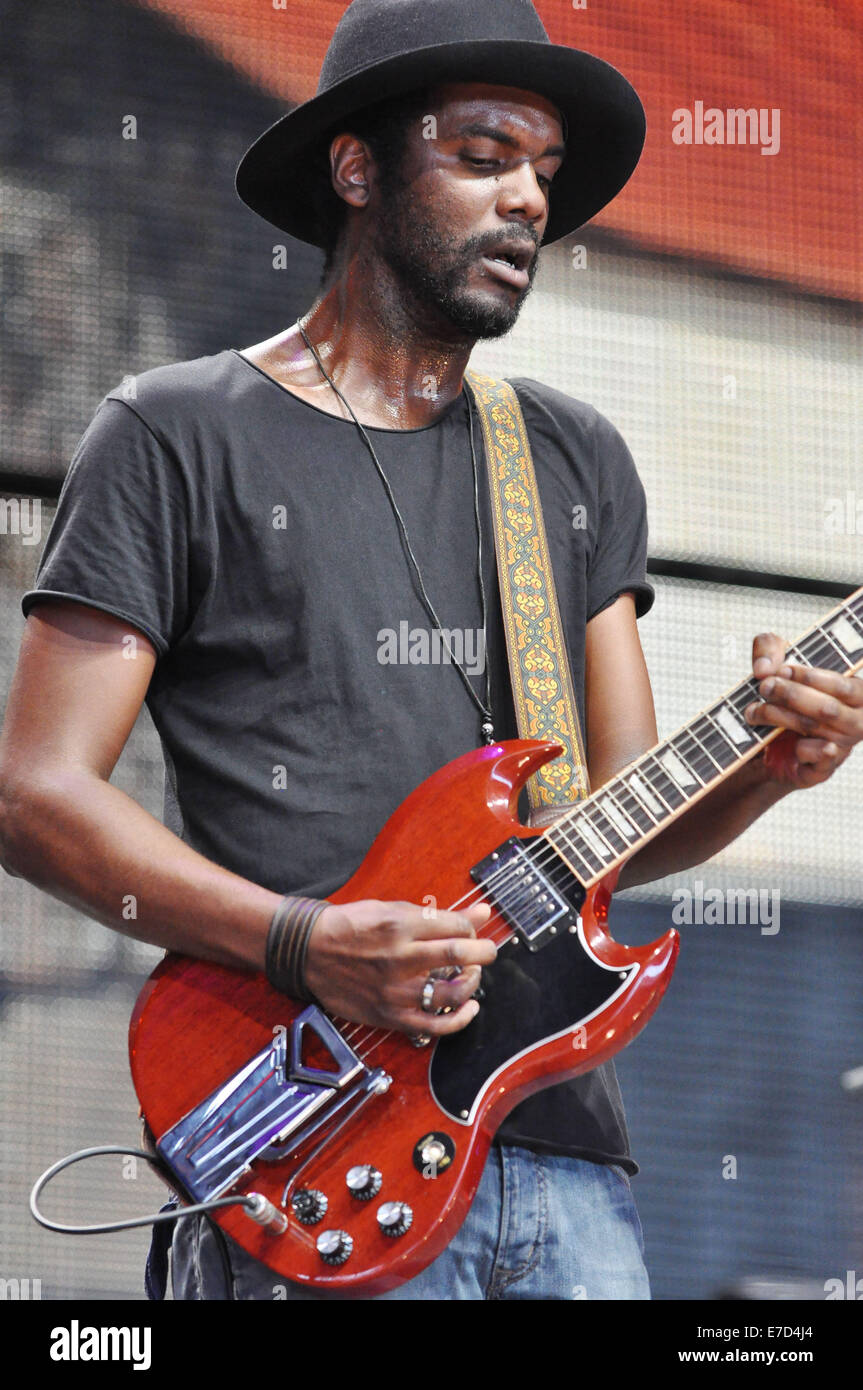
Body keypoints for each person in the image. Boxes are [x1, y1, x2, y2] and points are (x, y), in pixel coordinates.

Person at [1, 0, 860, 1301]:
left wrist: (772, 764)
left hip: (568, 1171)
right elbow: (35, 795)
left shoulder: (568, 458)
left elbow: (618, 816)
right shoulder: (173, 432)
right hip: (310, 1144)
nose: (527, 199)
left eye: (544, 171)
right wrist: (307, 942)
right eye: (484, 154)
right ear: (357, 166)